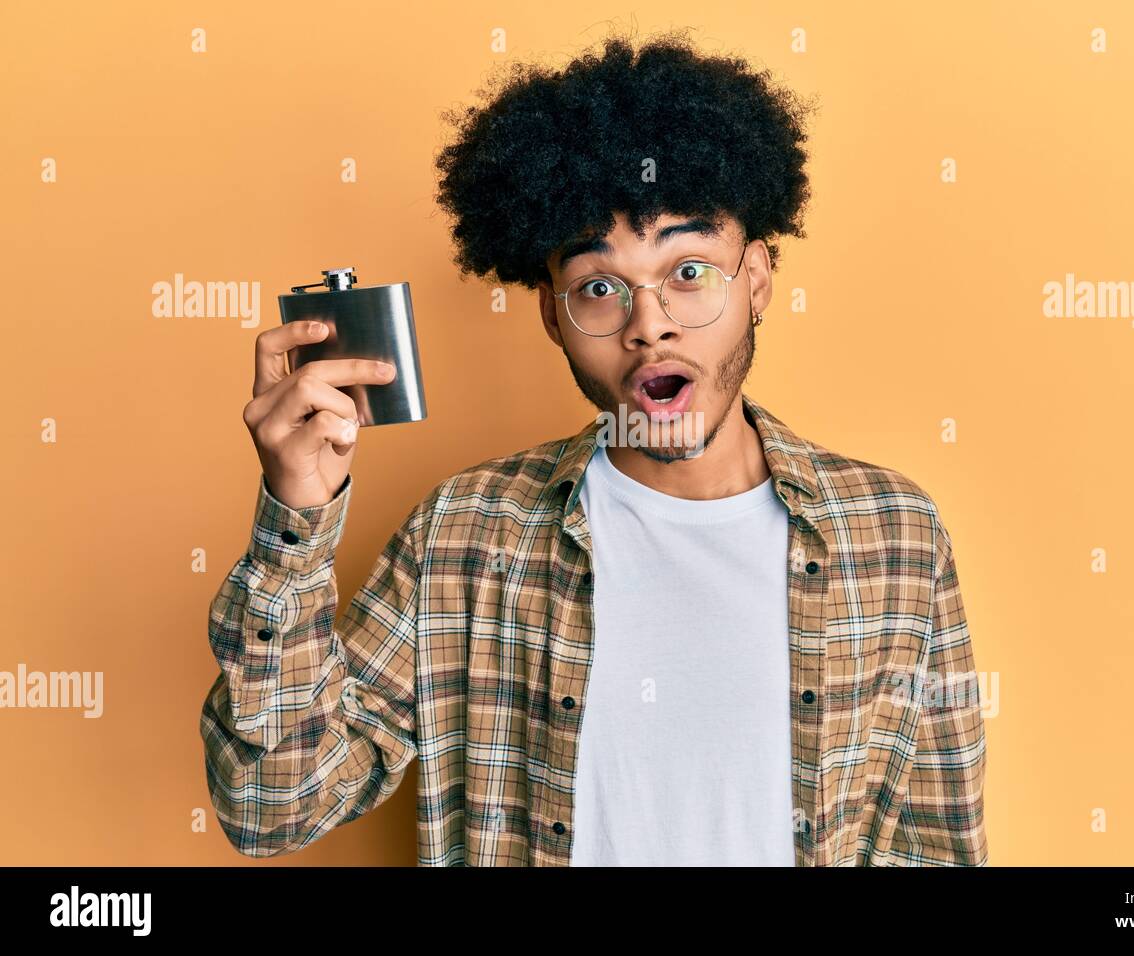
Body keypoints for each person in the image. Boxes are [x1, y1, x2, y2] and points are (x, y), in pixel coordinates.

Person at [200, 27, 988, 867]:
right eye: (600, 288)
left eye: (690, 272)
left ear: (756, 280)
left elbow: (939, 848)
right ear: (551, 314)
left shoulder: (895, 536)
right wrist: (298, 519)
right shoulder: (466, 536)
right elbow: (270, 809)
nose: (650, 324)